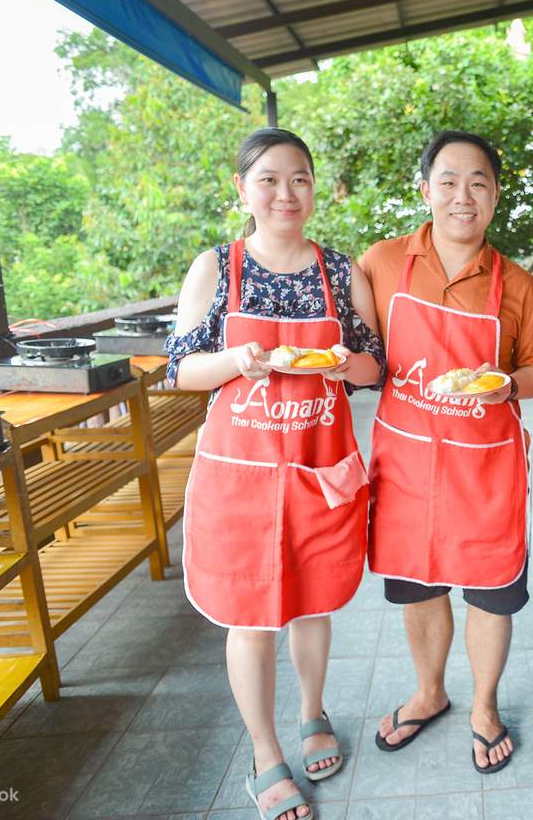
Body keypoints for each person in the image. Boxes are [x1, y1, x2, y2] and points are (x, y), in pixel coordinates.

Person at [168, 128, 385, 820]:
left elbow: (374, 363)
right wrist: (242, 360)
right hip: (240, 478)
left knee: (314, 603)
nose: (286, 192)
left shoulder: (342, 271)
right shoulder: (217, 267)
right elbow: (181, 370)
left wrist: (350, 365)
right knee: (250, 616)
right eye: (268, 178)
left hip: (319, 469)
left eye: (300, 178)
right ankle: (266, 752)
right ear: (242, 189)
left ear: (314, 188)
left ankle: (313, 712)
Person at [358, 130, 533, 774]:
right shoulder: (381, 264)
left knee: (491, 591)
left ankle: (485, 706)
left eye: (477, 182)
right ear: (425, 190)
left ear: (495, 196)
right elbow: (358, 353)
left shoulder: (519, 286)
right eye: (448, 180)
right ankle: (430, 691)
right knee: (418, 587)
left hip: (486, 463)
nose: (462, 195)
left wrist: (505, 386)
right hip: (408, 462)